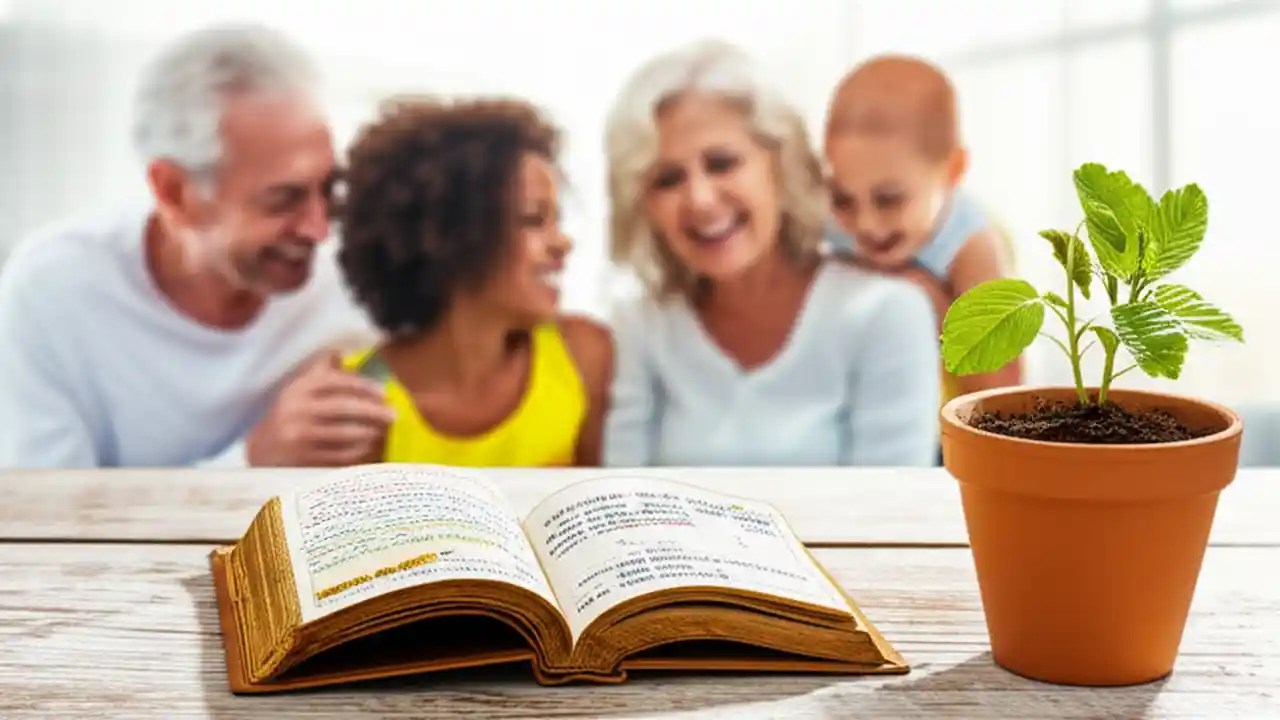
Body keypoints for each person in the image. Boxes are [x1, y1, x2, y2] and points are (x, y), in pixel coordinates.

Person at [0, 24, 389, 468]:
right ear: (175, 193)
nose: (319, 230)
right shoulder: (52, 292)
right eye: (284, 199)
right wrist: (254, 462)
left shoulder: (356, 275)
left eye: (329, 188)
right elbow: (41, 520)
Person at [602, 40, 940, 467]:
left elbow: (889, 515)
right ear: (644, 205)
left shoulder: (885, 313)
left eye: (722, 163)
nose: (700, 199)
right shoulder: (642, 325)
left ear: (780, 165)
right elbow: (619, 506)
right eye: (668, 179)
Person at [336, 98, 613, 467]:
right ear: (451, 237)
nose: (563, 242)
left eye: (556, 220)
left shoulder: (583, 355)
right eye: (534, 220)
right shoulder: (360, 396)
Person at [823, 54, 1023, 399]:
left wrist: (933, 306)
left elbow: (1002, 394)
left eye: (889, 199)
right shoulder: (830, 212)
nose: (865, 224)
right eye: (843, 199)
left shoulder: (971, 246)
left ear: (952, 171)